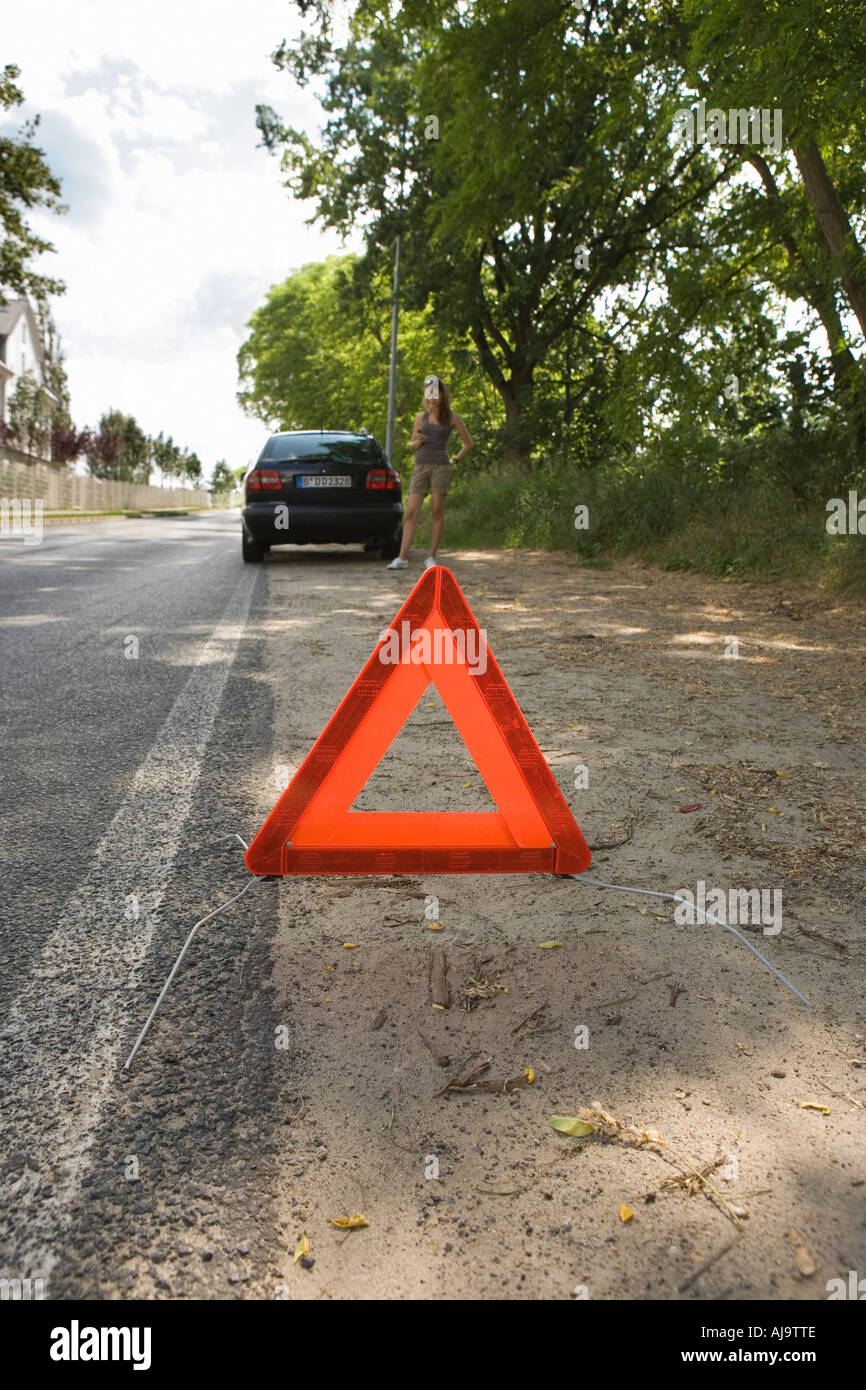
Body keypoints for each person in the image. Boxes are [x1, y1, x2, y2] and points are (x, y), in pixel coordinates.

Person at [387, 374, 473, 570]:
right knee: (410, 512)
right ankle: (402, 557)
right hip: (421, 467)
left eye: (436, 393)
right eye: (429, 393)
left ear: (442, 395)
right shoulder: (421, 417)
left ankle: (431, 557)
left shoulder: (452, 417)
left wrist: (455, 460)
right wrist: (417, 442)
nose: (433, 397)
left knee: (436, 511)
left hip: (441, 467)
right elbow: (411, 446)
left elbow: (468, 443)